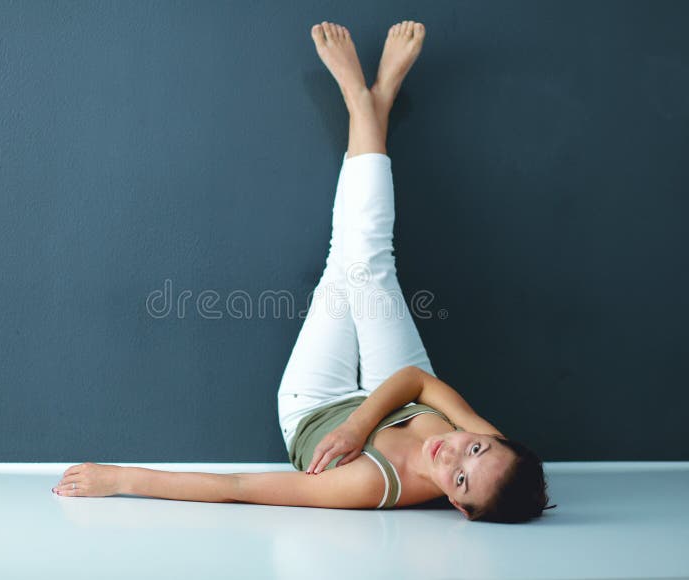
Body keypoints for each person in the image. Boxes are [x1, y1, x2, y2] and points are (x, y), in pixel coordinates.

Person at [53, 21, 555, 523]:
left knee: (353, 258)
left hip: (318, 404)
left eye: (461, 479)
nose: (452, 453)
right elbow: (416, 381)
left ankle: (367, 104)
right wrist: (364, 425)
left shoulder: (369, 483)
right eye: (477, 450)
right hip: (383, 400)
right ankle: (368, 105)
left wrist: (120, 478)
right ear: (495, 438)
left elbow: (242, 487)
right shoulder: (483, 437)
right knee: (368, 263)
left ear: (457, 505)